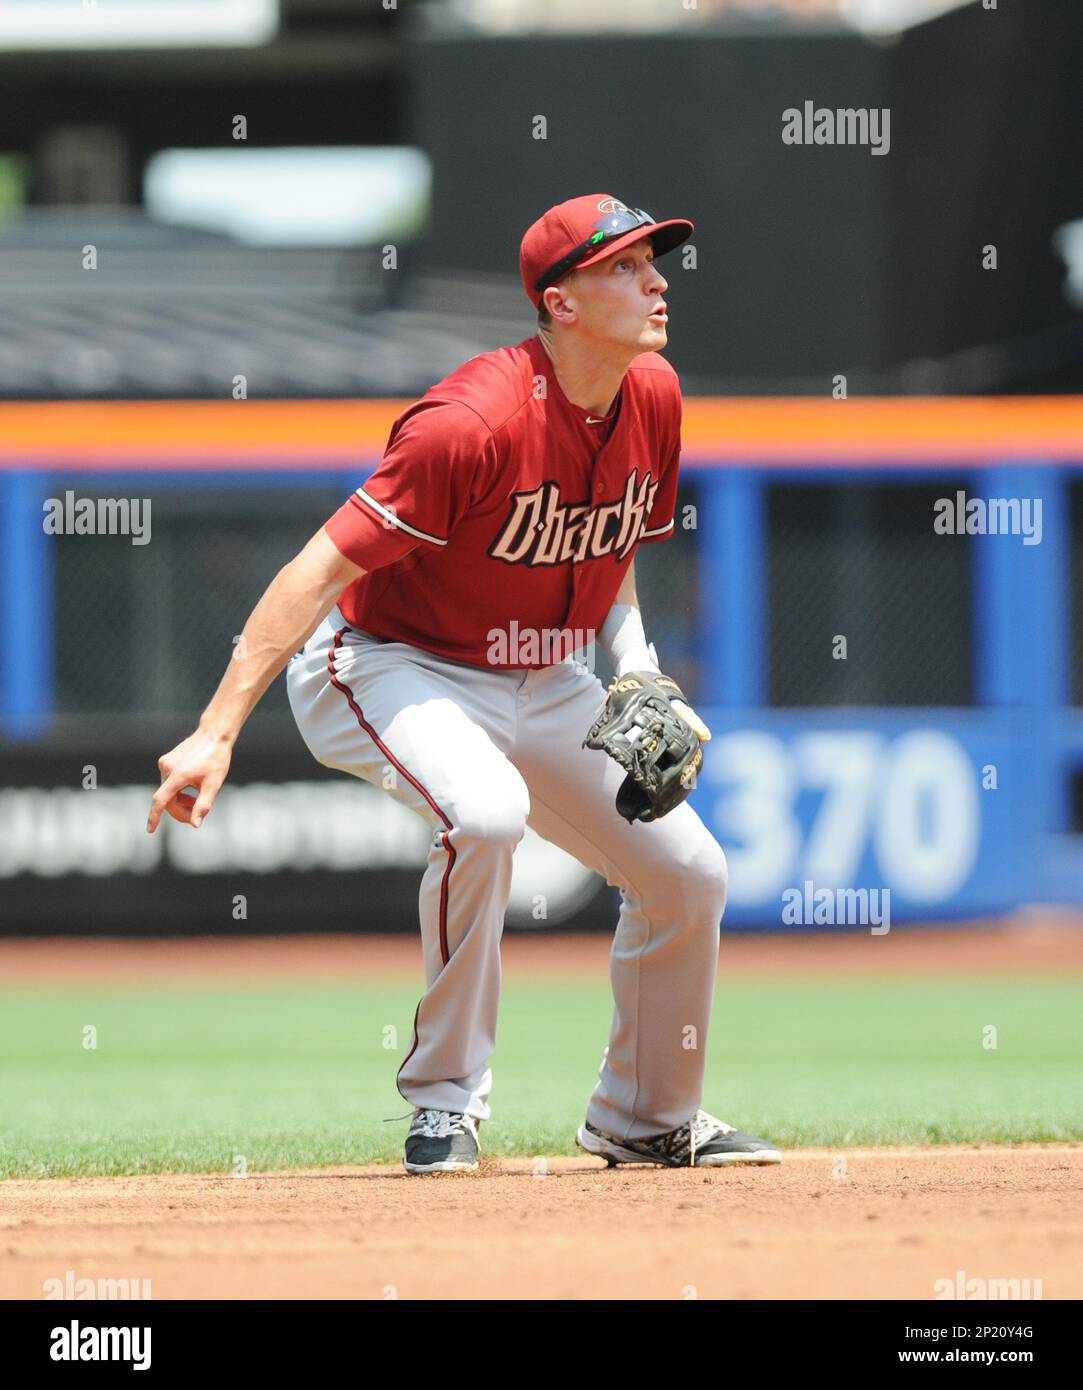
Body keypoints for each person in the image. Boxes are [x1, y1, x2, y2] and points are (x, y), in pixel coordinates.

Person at [148, 194, 781, 1174]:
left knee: (688, 875)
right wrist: (216, 730)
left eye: (655, 260)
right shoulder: (470, 423)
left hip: (548, 672)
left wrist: (639, 663)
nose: (657, 280)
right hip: (389, 660)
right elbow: (313, 573)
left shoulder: (652, 393)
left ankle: (645, 1114)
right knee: (485, 814)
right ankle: (445, 1104)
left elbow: (614, 544)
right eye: (625, 267)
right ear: (560, 302)